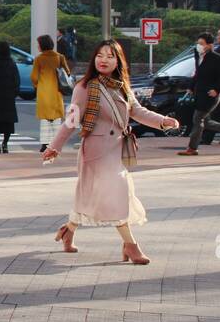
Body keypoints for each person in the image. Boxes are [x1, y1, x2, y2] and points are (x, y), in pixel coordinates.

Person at [43, 39, 178, 264]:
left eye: (109, 56)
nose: (103, 60)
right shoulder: (84, 87)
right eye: (100, 55)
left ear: (118, 61)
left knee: (92, 197)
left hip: (117, 151)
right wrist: (54, 146)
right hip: (95, 153)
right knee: (115, 196)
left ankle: (68, 230)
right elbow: (71, 121)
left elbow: (137, 111)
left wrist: (163, 121)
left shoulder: (122, 85)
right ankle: (131, 245)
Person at [178, 32, 220, 156]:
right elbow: (198, 74)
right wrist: (191, 87)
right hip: (199, 93)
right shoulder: (198, 56)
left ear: (210, 45)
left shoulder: (218, 59)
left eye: (202, 44)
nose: (199, 46)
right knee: (205, 122)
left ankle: (192, 148)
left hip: (210, 96)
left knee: (197, 119)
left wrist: (217, 90)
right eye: (198, 43)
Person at [30, 34, 71, 152]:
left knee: (45, 119)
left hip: (44, 92)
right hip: (57, 91)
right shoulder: (60, 57)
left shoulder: (39, 59)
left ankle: (45, 144)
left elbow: (33, 77)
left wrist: (37, 85)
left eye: (38, 44)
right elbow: (67, 73)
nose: (37, 46)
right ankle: (56, 144)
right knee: (56, 118)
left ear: (42, 46)